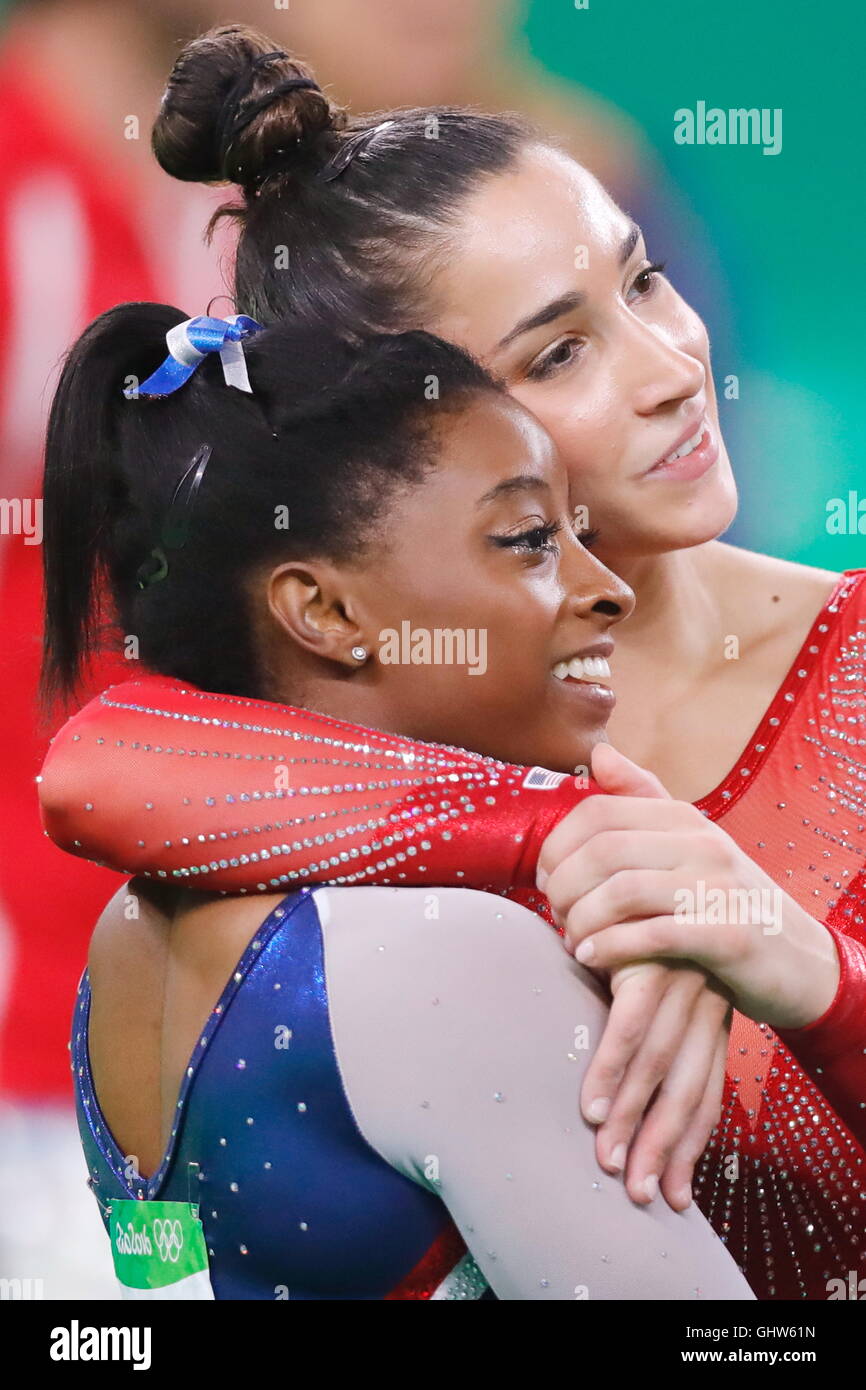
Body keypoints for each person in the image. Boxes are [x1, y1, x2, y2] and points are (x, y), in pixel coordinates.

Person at [40, 26, 866, 1299]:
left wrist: (812, 982)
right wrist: (563, 835)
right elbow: (97, 765)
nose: (669, 369)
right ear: (405, 445)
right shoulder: (373, 735)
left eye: (642, 283)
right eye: (556, 354)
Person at [42, 303, 752, 1300]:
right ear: (327, 612)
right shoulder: (455, 960)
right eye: (529, 539)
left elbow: (160, 1287)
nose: (607, 591)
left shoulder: (128, 941)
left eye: (576, 532)